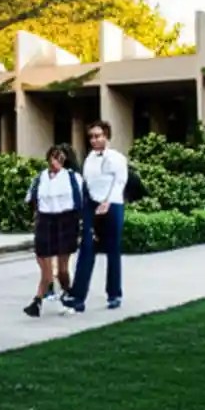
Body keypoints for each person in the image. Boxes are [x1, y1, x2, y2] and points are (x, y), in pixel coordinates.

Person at [63, 120, 128, 314]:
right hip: (92, 205)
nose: (94, 140)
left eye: (98, 135)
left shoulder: (117, 158)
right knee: (87, 248)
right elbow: (87, 183)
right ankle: (78, 297)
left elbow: (120, 182)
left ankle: (114, 294)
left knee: (112, 249)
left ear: (106, 136)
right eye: (91, 136)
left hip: (113, 204)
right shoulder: (89, 158)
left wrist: (108, 202)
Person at [22, 144, 84, 317]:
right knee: (46, 271)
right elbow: (30, 199)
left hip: (66, 221)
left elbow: (82, 201)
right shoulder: (40, 178)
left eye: (61, 158)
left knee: (63, 269)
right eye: (54, 156)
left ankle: (68, 293)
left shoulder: (73, 178)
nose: (56, 161)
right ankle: (37, 301)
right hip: (45, 221)